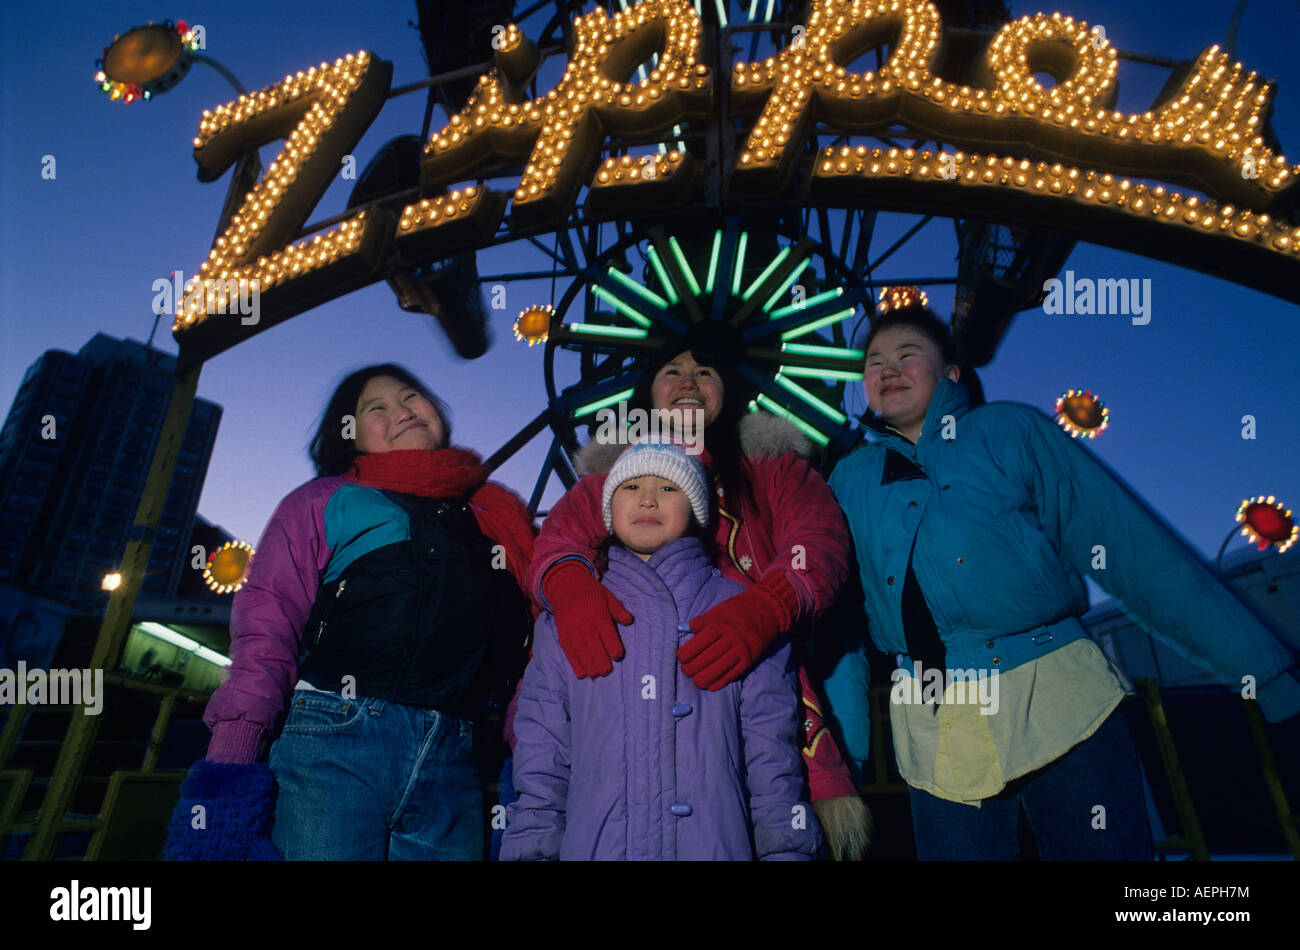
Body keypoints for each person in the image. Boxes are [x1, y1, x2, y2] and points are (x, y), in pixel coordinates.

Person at [825, 293, 1300, 860]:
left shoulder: (1010, 431)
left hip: (1061, 697)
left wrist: (1260, 669)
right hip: (936, 715)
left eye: (908, 353)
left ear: (951, 371)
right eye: (875, 361)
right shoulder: (848, 481)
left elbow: (1128, 545)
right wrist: (840, 761)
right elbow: (838, 623)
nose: (888, 369)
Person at [521, 321, 872, 859]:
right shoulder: (608, 480)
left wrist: (765, 607)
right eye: (672, 371)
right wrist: (569, 586)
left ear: (728, 392)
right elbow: (557, 539)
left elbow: (818, 543)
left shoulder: (775, 469)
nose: (688, 380)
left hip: (777, 699)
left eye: (704, 371)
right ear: (647, 394)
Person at [165, 364, 535, 860]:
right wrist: (232, 757)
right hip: (333, 743)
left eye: (411, 396)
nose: (401, 411)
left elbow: (531, 651)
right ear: (351, 435)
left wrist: (532, 765)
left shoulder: (500, 519)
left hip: (456, 759)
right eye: (374, 409)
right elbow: (267, 626)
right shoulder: (324, 500)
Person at [502, 440, 823, 859]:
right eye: (630, 487)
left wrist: (788, 852)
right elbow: (540, 758)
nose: (648, 498)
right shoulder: (562, 621)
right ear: (607, 512)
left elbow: (774, 763)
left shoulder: (742, 616)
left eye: (669, 488)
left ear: (696, 508)